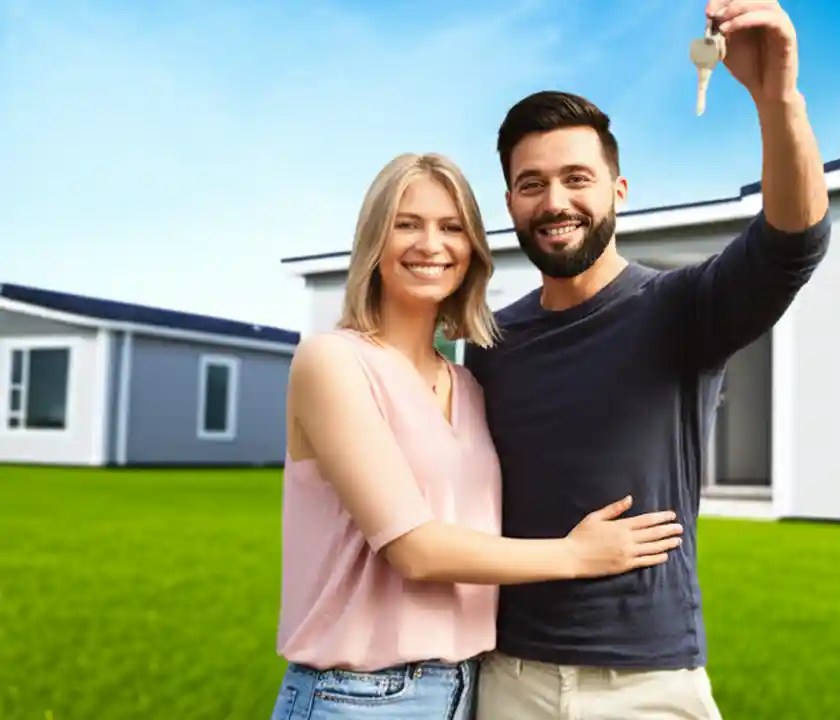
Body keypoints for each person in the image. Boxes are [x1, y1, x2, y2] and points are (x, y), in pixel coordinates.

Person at [461, 0, 831, 717]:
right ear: (510, 203)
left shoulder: (681, 308)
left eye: (577, 178)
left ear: (619, 192)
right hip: (508, 679)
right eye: (532, 184)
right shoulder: (490, 346)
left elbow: (793, 243)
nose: (555, 201)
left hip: (647, 687)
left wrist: (778, 100)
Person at [269, 152, 685, 720]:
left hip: (467, 690)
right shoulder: (332, 362)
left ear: (472, 250)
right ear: (374, 241)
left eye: (451, 227)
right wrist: (575, 555)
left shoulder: (468, 385)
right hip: (356, 697)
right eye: (407, 224)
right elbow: (414, 550)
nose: (430, 245)